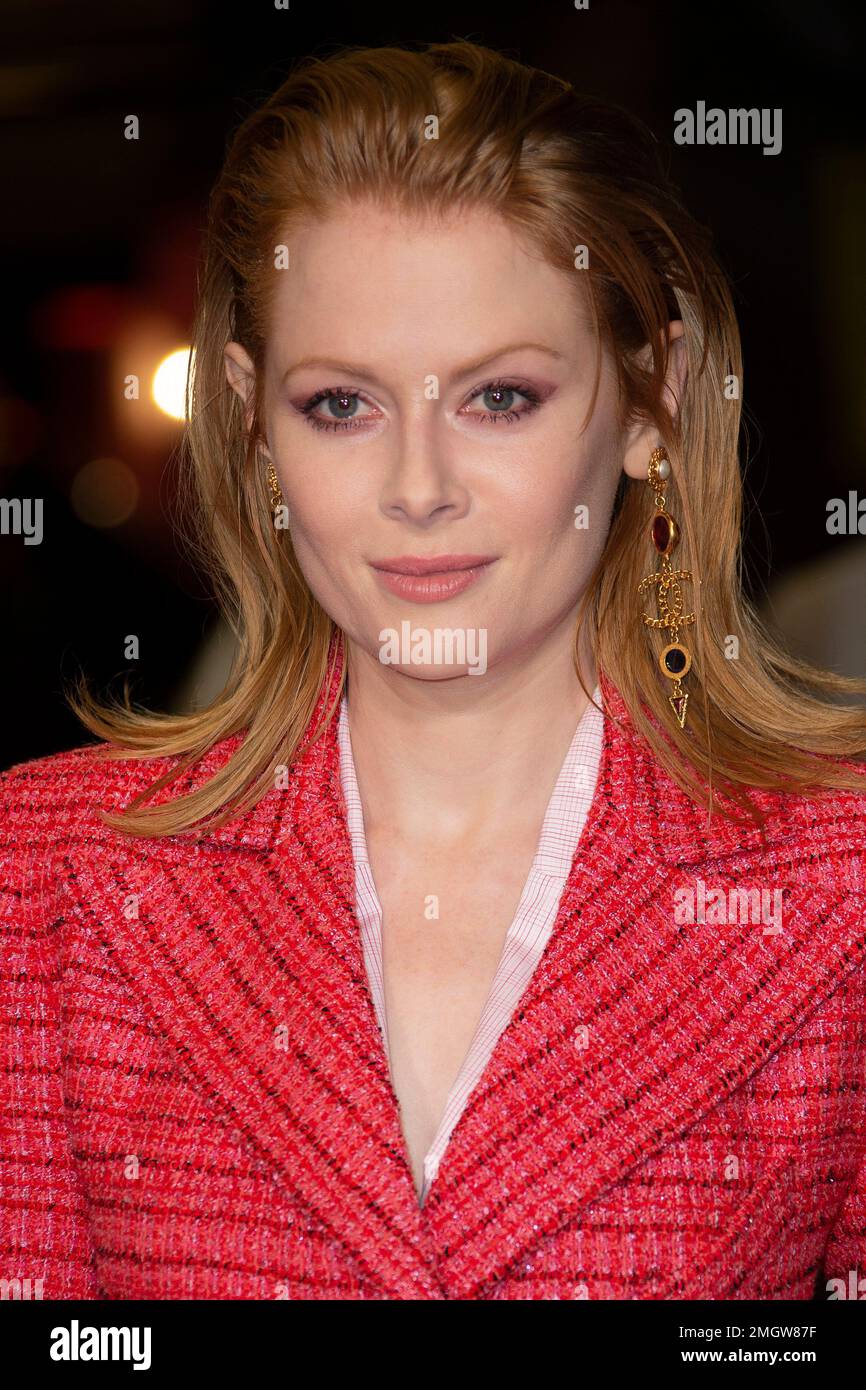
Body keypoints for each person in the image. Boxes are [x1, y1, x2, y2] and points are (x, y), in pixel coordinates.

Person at [2, 38, 866, 1302]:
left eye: (497, 398)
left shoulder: (836, 887)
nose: (416, 489)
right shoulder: (47, 879)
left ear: (649, 402)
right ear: (251, 421)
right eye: (340, 405)